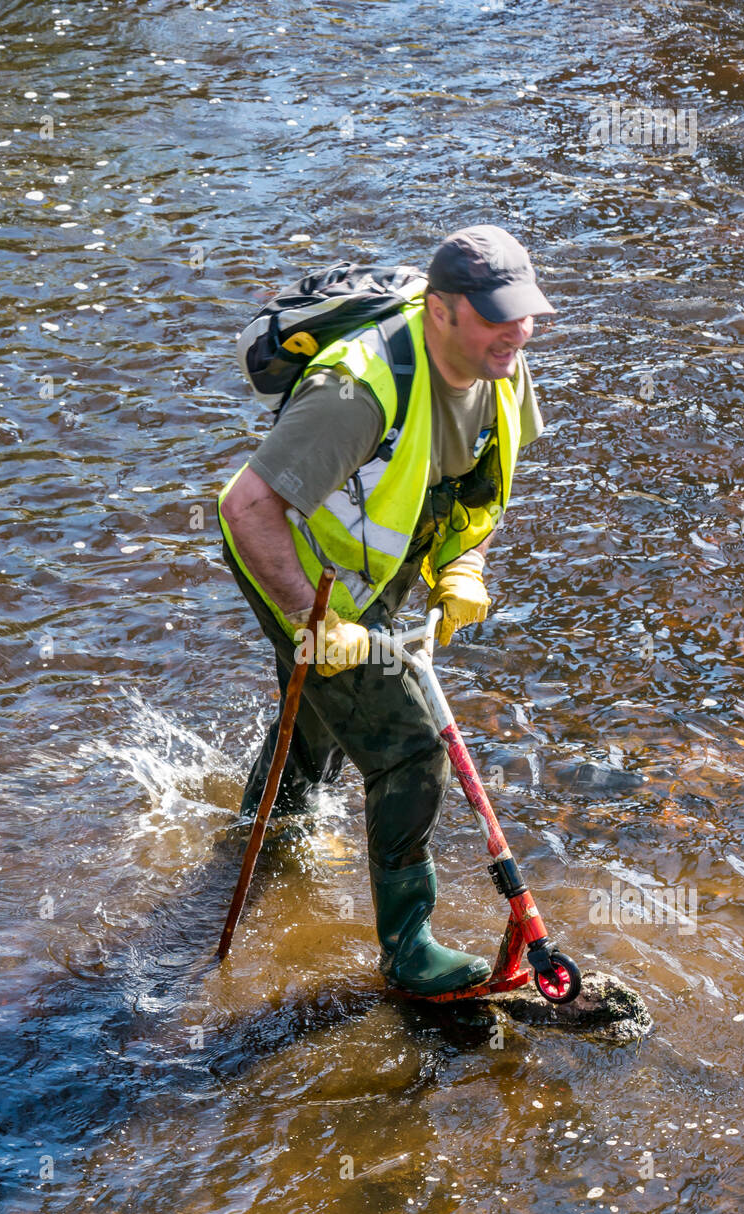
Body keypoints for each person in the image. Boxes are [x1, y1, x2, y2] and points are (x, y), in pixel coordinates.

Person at [217, 225, 555, 996]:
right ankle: (408, 953)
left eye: (526, 314)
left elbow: (484, 484)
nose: (517, 332)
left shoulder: (502, 364)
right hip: (299, 571)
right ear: (440, 312)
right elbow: (245, 508)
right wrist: (314, 621)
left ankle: (264, 839)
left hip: (380, 567)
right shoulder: (357, 392)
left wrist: (463, 566)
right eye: (497, 315)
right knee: (408, 750)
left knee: (320, 716)